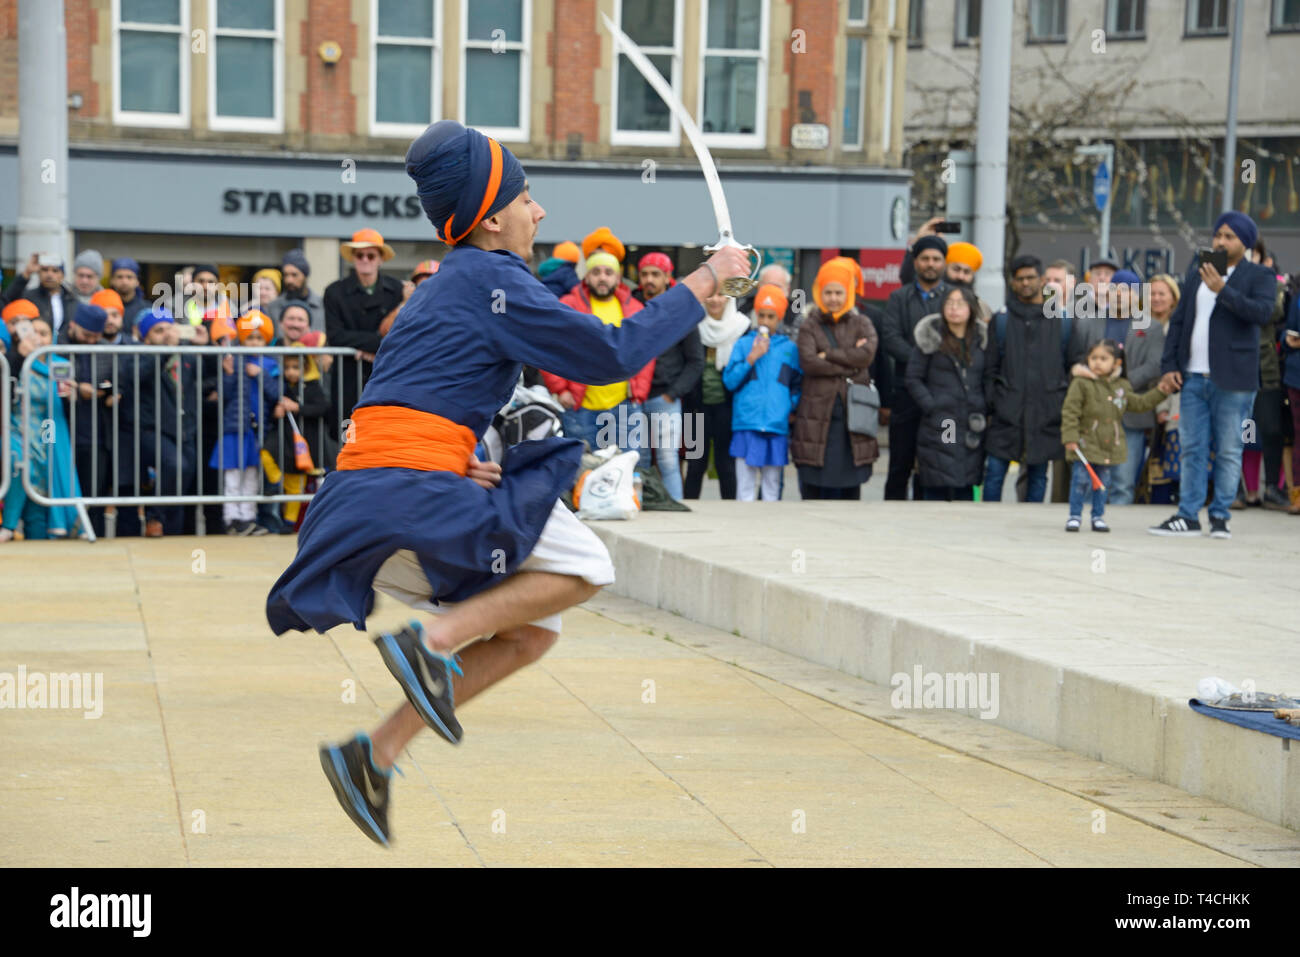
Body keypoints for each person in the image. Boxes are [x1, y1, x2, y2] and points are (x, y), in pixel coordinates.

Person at [264, 120, 751, 847]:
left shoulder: (441, 291)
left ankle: (375, 753)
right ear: (492, 217)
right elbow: (611, 352)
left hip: (363, 502)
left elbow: (412, 393)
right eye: (528, 197)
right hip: (405, 495)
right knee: (590, 564)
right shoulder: (494, 279)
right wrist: (706, 278)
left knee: (534, 632)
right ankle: (432, 642)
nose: (541, 212)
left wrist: (464, 452)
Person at [1150, 212, 1278, 539]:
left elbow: (1261, 314)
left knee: (1229, 449)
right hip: (1193, 376)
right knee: (1192, 447)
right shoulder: (1199, 271)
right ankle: (1188, 515)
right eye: (1218, 235)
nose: (1221, 241)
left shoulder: (1258, 275)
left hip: (1234, 378)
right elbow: (1179, 322)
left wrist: (1223, 289)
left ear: (1245, 242)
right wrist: (1170, 367)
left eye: (1229, 237)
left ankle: (1220, 516)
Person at [542, 241, 655, 463]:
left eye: (608, 272)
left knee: (631, 467)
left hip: (625, 405)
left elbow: (647, 352)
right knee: (585, 469)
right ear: (586, 276)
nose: (602, 277)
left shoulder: (634, 308)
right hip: (581, 406)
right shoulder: (568, 305)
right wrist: (560, 388)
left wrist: (639, 392)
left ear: (618, 277)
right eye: (596, 272)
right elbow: (547, 346)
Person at [1068, 269, 1165, 506]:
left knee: (1123, 481)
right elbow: (1077, 357)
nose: (1119, 296)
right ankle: (1089, 520)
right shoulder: (1087, 323)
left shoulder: (1151, 327)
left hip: (1129, 414)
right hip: (1092, 416)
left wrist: (1117, 385)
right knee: (1090, 478)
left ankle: (1118, 529)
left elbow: (1153, 366)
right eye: (1114, 290)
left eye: (1126, 291)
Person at [983, 255, 1072, 503]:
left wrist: (1059, 402)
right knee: (994, 474)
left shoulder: (1062, 321)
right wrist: (995, 401)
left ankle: (1030, 526)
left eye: (1030, 277)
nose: (1025, 283)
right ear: (1012, 283)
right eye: (1019, 279)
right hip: (1006, 411)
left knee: (1038, 476)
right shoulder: (1001, 320)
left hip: (1046, 411)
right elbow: (990, 367)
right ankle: (984, 524)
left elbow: (1070, 365)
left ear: (1042, 280)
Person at [1062, 339, 1172, 532]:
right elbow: (1070, 411)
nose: (1097, 362)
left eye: (1103, 358)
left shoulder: (1122, 385)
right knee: (1080, 481)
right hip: (1084, 443)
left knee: (1103, 483)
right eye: (1093, 358)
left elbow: (1139, 404)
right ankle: (1075, 515)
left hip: (1108, 445)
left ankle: (1098, 516)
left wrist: (1160, 392)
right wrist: (1070, 437)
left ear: (1117, 363)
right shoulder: (1081, 383)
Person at [791, 258, 878, 499]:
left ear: (848, 293)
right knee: (815, 480)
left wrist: (828, 354)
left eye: (839, 292)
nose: (833, 298)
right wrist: (850, 365)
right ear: (819, 293)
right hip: (816, 412)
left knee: (851, 482)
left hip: (852, 412)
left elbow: (866, 356)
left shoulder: (862, 322)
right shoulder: (810, 325)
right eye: (828, 292)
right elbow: (809, 362)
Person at [904, 285, 995, 501]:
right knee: (942, 466)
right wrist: (931, 404)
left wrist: (985, 403)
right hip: (944, 419)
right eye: (949, 303)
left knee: (966, 475)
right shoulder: (933, 338)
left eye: (960, 303)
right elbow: (913, 377)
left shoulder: (981, 341)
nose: (954, 309)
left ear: (971, 309)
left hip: (972, 417)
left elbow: (989, 376)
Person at [115, 307, 199, 538]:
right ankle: (154, 516)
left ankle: (173, 532)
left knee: (183, 479)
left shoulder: (184, 352)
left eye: (168, 328)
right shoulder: (138, 353)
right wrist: (165, 350)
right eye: (158, 330)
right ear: (146, 336)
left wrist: (204, 345)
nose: (165, 334)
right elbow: (138, 375)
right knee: (175, 466)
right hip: (151, 428)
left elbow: (206, 377)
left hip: (184, 427)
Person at [1, 316, 84, 542]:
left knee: (39, 499)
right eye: (33, 332)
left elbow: (64, 398)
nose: (38, 338)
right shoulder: (17, 360)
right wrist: (20, 355)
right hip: (16, 430)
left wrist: (72, 395)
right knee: (20, 464)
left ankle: (37, 546)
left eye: (44, 333)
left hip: (47, 435)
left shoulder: (59, 364)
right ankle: (8, 526)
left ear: (53, 338)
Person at [881, 235, 949, 500]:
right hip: (906, 392)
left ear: (944, 263)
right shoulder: (899, 298)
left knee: (935, 460)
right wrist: (921, 364)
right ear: (916, 262)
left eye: (936, 259)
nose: (930, 264)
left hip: (941, 394)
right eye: (925, 259)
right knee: (901, 460)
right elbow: (891, 338)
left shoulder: (954, 299)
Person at [723, 284, 801, 501]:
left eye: (771, 316)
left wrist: (789, 405)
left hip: (776, 425)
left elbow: (797, 384)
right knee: (745, 486)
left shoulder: (790, 349)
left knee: (772, 486)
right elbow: (729, 381)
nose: (765, 322)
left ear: (780, 318)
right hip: (746, 423)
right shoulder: (744, 344)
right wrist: (752, 357)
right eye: (762, 316)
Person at [636, 251, 702, 501]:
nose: (649, 279)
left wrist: (672, 394)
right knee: (636, 457)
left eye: (656, 274)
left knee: (668, 460)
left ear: (667, 277)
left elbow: (695, 361)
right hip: (633, 399)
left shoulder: (682, 312)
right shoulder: (631, 307)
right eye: (645, 274)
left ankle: (676, 511)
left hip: (665, 398)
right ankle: (637, 505)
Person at [210, 310, 280, 536]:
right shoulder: (235, 361)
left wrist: (260, 374)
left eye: (259, 338)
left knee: (251, 475)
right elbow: (226, 394)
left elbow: (276, 393)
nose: (254, 342)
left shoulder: (270, 364)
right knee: (233, 476)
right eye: (250, 337)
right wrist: (229, 373)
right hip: (234, 427)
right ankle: (231, 518)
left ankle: (248, 517)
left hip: (258, 430)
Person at [324, 229, 405, 420]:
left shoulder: (397, 290)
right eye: (360, 255)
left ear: (380, 259)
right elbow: (335, 335)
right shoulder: (334, 292)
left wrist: (363, 346)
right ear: (353, 258)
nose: (365, 259)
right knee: (348, 435)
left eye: (371, 255)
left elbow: (402, 334)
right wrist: (377, 342)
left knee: (382, 434)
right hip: (348, 378)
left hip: (385, 376)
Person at [1233, 242, 1288, 511]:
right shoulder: (1224, 284)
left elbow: (1274, 312)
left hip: (1266, 368)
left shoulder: (1273, 284)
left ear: (1262, 257)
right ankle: (1242, 489)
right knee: (1244, 433)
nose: (1248, 259)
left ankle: (1272, 489)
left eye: (1252, 253)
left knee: (1272, 429)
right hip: (1235, 369)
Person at [683, 290, 748, 500]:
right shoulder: (693, 325)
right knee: (695, 464)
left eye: (721, 295)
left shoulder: (741, 327)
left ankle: (730, 512)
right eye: (709, 295)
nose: (715, 300)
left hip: (728, 407)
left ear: (730, 299)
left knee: (726, 464)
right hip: (696, 407)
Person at [3, 253, 77, 337]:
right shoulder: (28, 297)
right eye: (45, 270)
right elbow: (7, 300)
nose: (49, 275)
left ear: (63, 275)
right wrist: (27, 273)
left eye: (55, 271)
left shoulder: (72, 300)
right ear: (39, 273)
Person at [265, 249, 326, 332]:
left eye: (294, 275)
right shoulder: (273, 307)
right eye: (286, 275)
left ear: (305, 276)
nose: (289, 280)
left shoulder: (322, 305)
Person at [1282, 288, 1300, 514]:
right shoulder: (1297, 298)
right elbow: (1286, 332)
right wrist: (1287, 339)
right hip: (1297, 377)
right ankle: (1297, 496)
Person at [108, 257, 151, 334]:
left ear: (137, 281)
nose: (124, 281)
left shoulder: (147, 309)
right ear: (112, 280)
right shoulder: (104, 308)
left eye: (129, 277)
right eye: (119, 277)